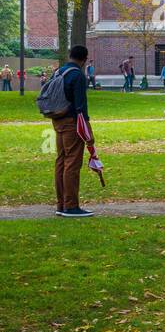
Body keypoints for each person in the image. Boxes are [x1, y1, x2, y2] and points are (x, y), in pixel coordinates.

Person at [46, 45, 100, 217]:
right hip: (71, 122)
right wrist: (88, 132)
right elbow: (80, 107)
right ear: (84, 59)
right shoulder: (78, 75)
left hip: (57, 120)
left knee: (61, 161)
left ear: (70, 55)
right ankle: (71, 206)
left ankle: (61, 204)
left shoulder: (58, 71)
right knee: (72, 163)